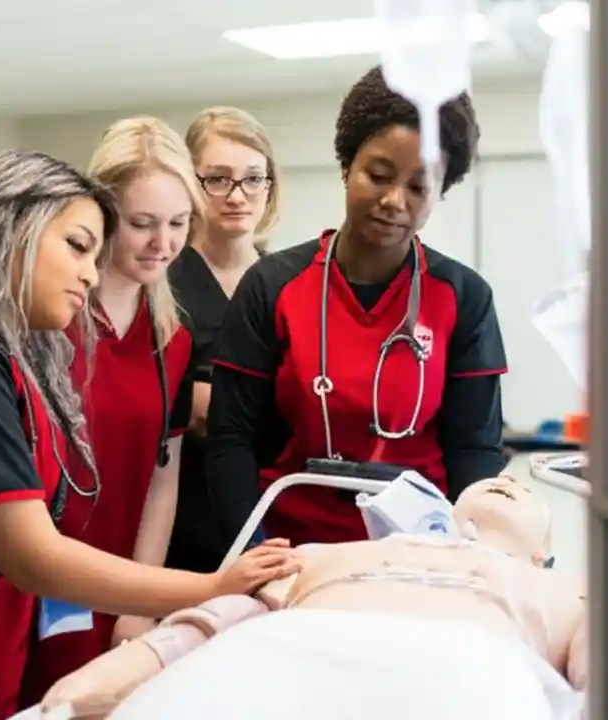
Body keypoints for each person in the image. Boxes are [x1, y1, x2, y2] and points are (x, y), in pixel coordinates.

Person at [0, 149, 299, 719]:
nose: (89, 273)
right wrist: (210, 588)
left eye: (96, 254)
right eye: (77, 247)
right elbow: (32, 555)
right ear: (12, 230)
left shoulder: (6, 349)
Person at [39, 475, 608, 720]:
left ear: (545, 551)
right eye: (493, 479)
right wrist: (111, 679)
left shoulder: (561, 585)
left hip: (459, 674)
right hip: (278, 659)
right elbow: (220, 619)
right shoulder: (329, 555)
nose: (507, 481)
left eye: (525, 493)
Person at [206, 66, 509, 551]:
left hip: (420, 552)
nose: (394, 201)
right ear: (347, 166)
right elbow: (231, 443)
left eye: (419, 187)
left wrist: (472, 553)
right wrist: (254, 554)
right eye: (379, 175)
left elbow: (475, 451)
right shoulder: (272, 286)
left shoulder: (463, 296)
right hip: (291, 552)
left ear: (440, 193)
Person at [24, 117, 206, 691]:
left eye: (178, 224)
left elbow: (164, 474)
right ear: (101, 218)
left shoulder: (172, 340)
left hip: (122, 582)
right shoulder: (49, 321)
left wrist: (139, 596)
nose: (163, 244)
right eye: (142, 224)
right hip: (39, 579)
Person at [166, 106, 283, 574]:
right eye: (217, 179)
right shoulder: (165, 281)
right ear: (190, 183)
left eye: (254, 178)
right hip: (190, 507)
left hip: (277, 499)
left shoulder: (286, 279)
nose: (238, 195)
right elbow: (176, 405)